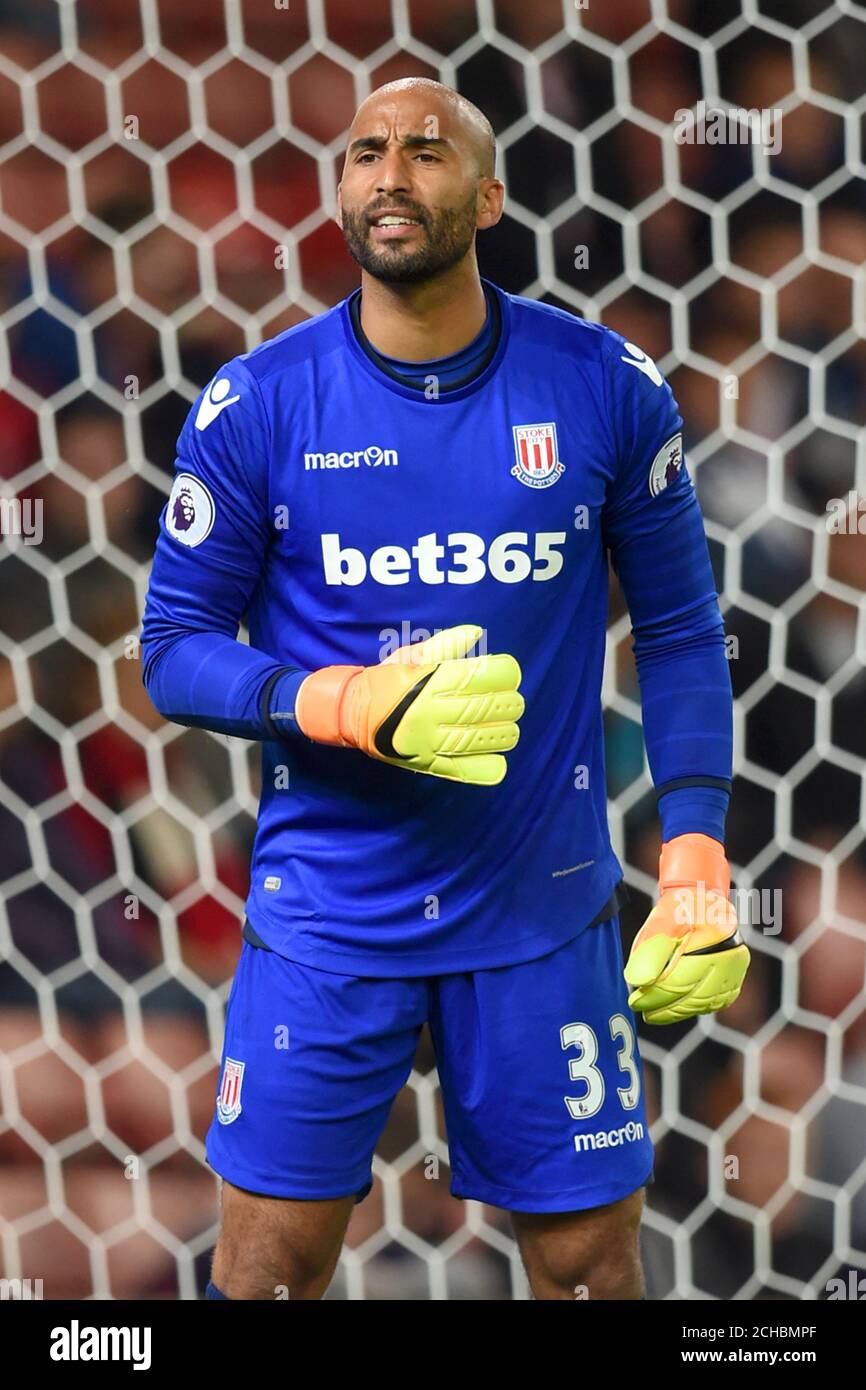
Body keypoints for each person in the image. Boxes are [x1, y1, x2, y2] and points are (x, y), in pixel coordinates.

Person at [140, 77, 750, 1301]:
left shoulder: (605, 388)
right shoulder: (257, 404)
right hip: (328, 912)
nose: (389, 174)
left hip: (541, 907)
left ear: (489, 193)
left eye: (425, 151)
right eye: (365, 152)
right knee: (264, 1267)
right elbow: (174, 646)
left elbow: (682, 630)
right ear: (337, 189)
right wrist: (340, 703)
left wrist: (693, 847)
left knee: (584, 1268)